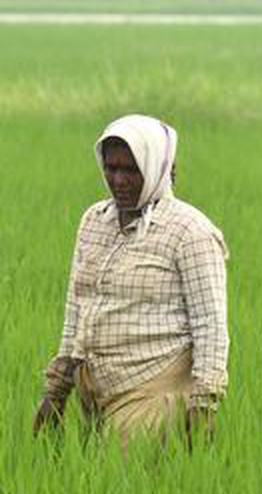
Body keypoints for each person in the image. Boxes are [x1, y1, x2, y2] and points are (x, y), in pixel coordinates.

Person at [33, 114, 229, 446]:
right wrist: (57, 390)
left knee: (122, 483)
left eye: (131, 170)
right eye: (111, 168)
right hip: (95, 387)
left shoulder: (190, 232)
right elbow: (76, 309)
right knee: (88, 484)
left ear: (156, 168)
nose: (118, 180)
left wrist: (203, 406)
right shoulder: (95, 221)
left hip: (151, 389)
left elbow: (210, 326)